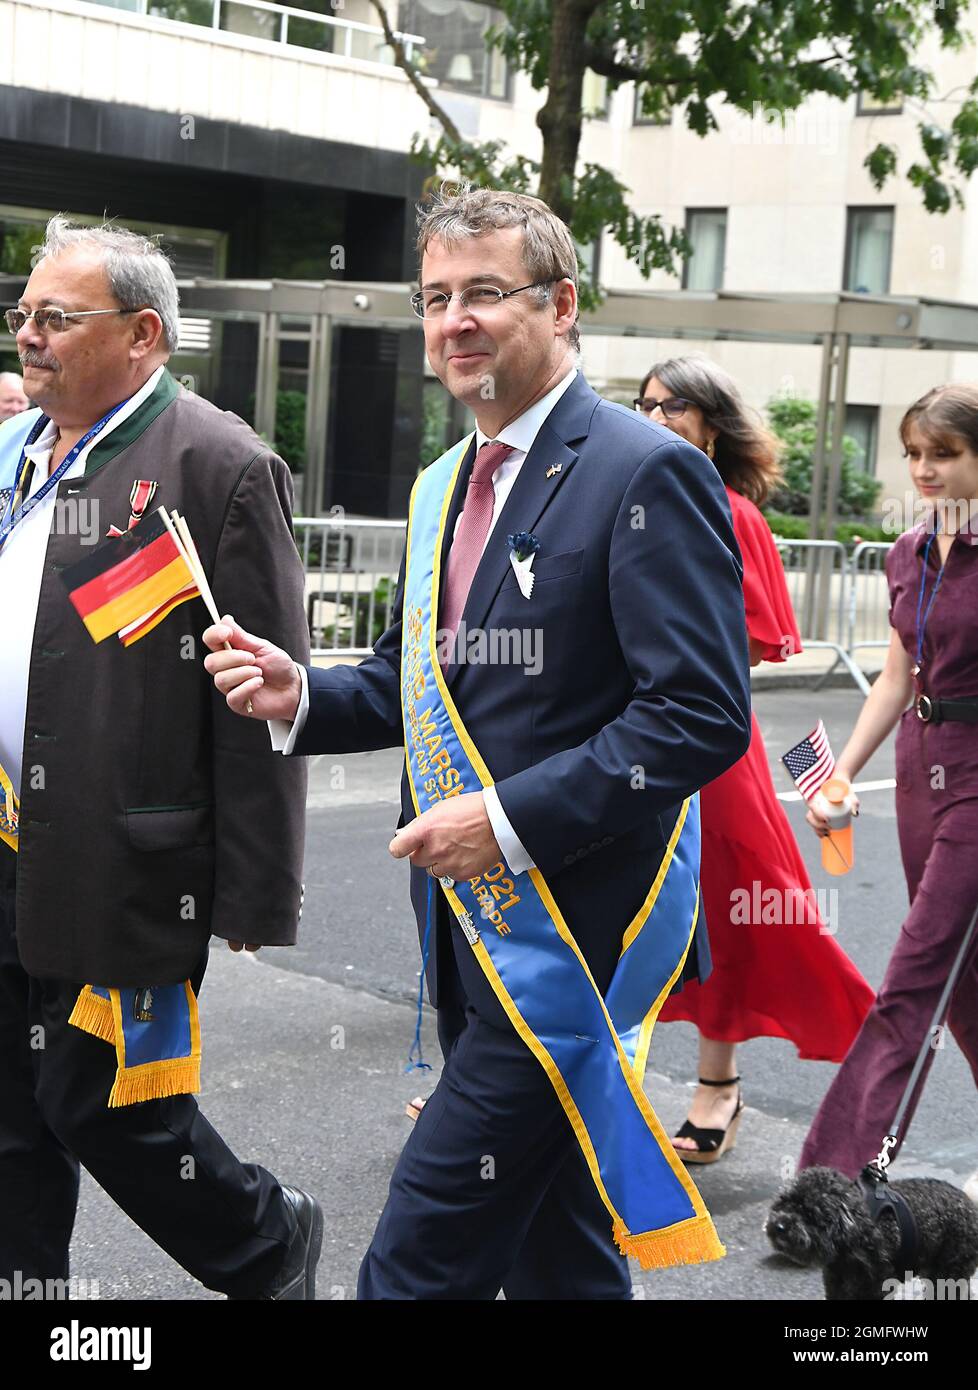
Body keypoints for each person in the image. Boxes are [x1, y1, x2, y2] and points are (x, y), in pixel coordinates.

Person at [204, 184, 753, 1300]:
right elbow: (419, 680)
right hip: (471, 937)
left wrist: (504, 825)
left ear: (560, 306)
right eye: (435, 296)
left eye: (484, 294)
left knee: (417, 1257)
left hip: (577, 936)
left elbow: (699, 713)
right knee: (561, 1245)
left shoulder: (645, 472)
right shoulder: (441, 484)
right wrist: (298, 691)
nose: (454, 321)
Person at [0, 216, 321, 1299]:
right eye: (23, 311)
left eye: (55, 316)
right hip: (4, 834)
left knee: (107, 1103)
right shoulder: (13, 452)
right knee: (8, 1108)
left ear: (143, 333)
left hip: (124, 858)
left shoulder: (219, 463)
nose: (26, 333)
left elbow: (264, 699)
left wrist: (255, 887)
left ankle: (269, 1244)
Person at [636, 357, 875, 1163]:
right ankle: (547, 1084)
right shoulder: (629, 499)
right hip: (622, 738)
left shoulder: (732, 512)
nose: (657, 416)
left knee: (736, 905)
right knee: (615, 910)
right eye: (646, 405)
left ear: (713, 421)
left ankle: (719, 1084)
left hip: (705, 746)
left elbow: (747, 643)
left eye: (676, 406)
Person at [800, 383, 978, 1177]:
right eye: (914, 454)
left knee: (915, 973)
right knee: (965, 981)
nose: (925, 469)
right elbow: (895, 678)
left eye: (945, 454)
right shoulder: (907, 552)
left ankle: (834, 1178)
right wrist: (839, 774)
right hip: (918, 767)